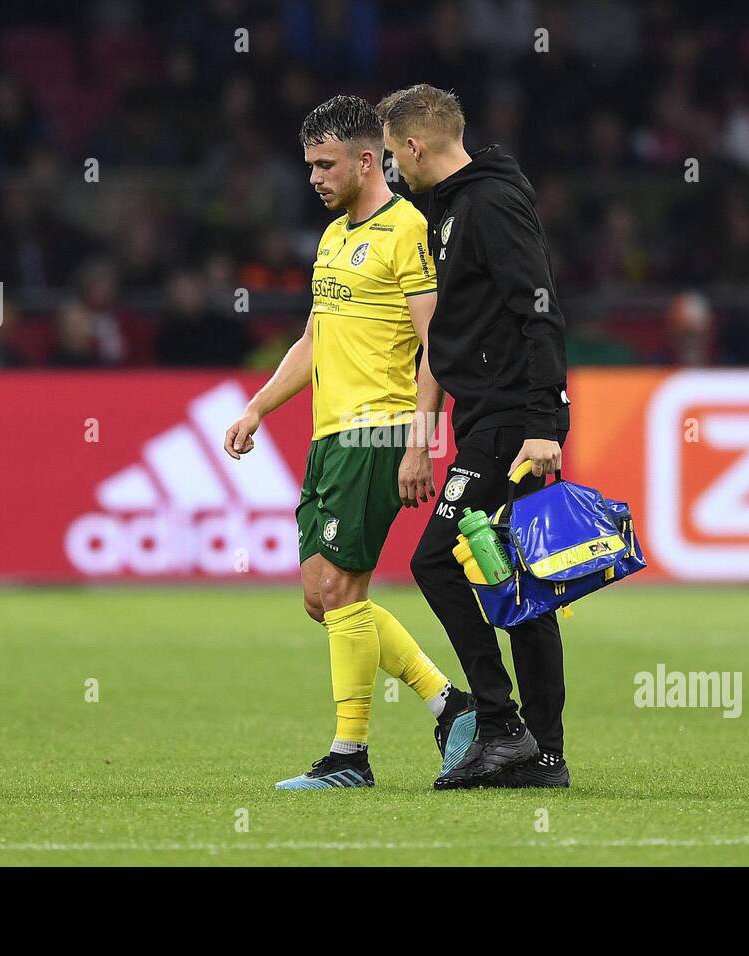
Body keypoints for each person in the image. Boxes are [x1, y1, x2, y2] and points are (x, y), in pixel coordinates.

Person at [222, 95, 475, 790]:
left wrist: (419, 442)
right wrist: (259, 407)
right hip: (330, 434)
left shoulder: (407, 231)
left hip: (382, 428)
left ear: (368, 159)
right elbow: (314, 339)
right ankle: (450, 704)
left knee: (338, 586)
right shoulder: (334, 238)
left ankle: (349, 755)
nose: (313, 177)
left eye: (324, 163)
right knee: (323, 596)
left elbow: (437, 348)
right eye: (308, 164)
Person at [378, 84, 571, 789]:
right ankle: (543, 756)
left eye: (393, 152)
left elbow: (540, 311)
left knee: (437, 560)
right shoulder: (451, 211)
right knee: (516, 584)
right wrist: (424, 437)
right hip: (484, 420)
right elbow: (446, 342)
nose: (392, 169)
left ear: (415, 145)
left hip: (513, 423)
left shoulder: (489, 204)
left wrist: (546, 426)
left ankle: (501, 727)